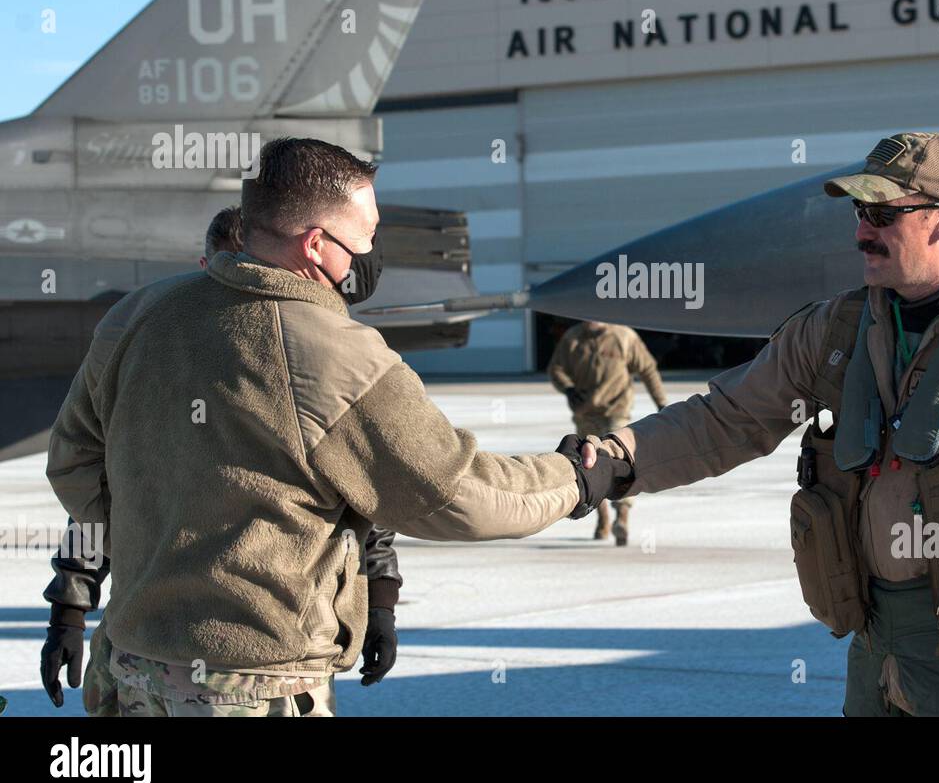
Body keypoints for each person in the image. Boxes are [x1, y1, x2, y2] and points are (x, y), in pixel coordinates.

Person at [46, 138, 628, 717]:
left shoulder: (136, 314)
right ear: (316, 245)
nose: (372, 251)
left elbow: (74, 468)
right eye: (366, 237)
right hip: (251, 686)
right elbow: (457, 495)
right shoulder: (336, 354)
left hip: (127, 668)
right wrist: (576, 478)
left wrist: (155, 544)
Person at [581, 132, 939, 717]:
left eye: (883, 213)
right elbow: (726, 419)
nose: (861, 232)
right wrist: (615, 460)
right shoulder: (835, 331)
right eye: (859, 212)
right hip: (875, 646)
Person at [40, 206, 405, 715]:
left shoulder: (313, 354)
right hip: (155, 656)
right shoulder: (160, 352)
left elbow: (368, 489)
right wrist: (70, 610)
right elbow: (100, 489)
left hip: (247, 663)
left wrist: (379, 602)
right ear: (206, 267)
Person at [548, 321, 668, 545]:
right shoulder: (573, 338)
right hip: (586, 415)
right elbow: (555, 369)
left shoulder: (624, 337)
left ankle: (622, 516)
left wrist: (661, 403)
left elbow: (648, 369)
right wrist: (568, 389)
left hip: (616, 412)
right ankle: (602, 519)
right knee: (589, 465)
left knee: (622, 464)